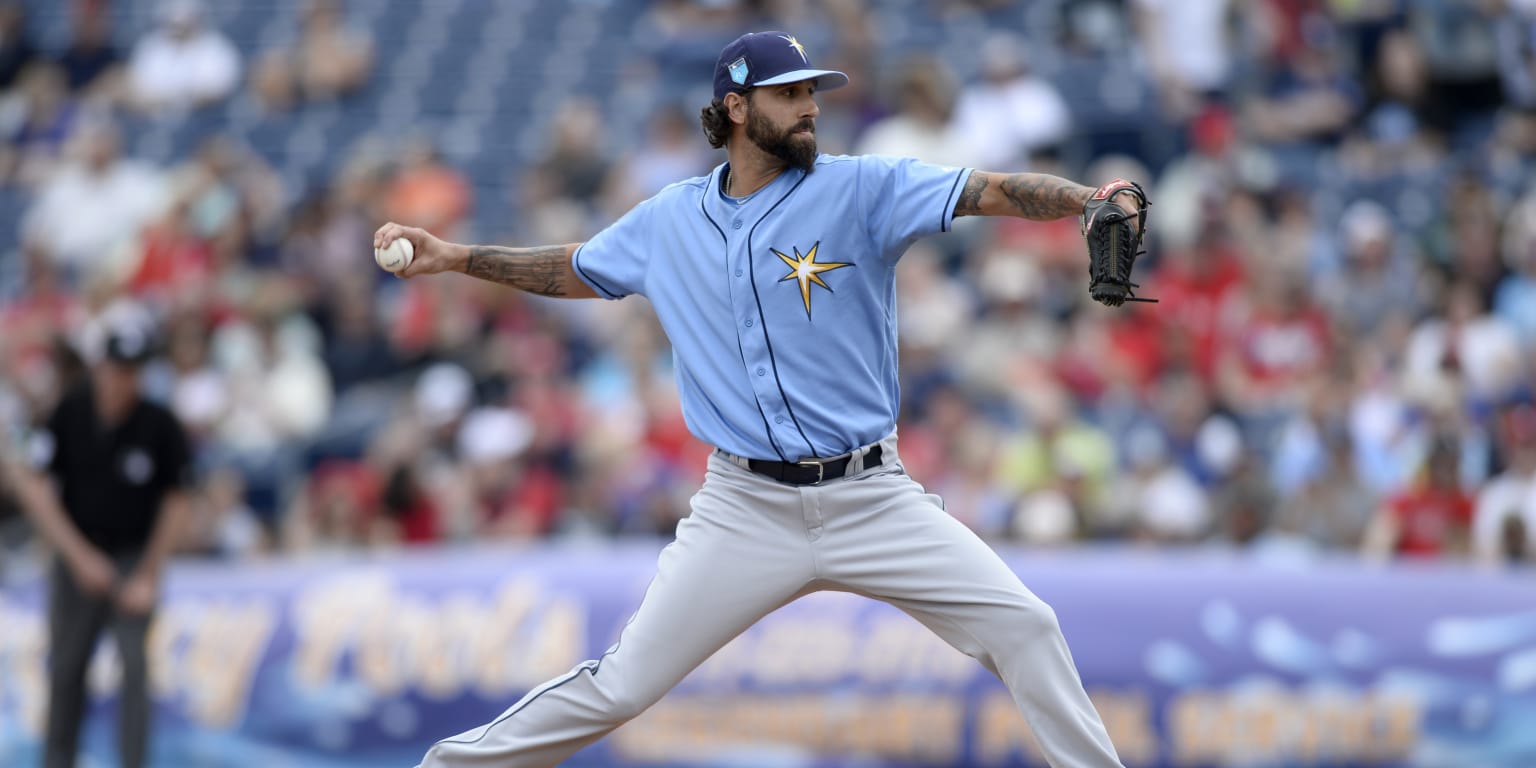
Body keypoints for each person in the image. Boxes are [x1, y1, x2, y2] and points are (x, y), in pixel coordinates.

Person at [377, 31, 1136, 768]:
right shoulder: (668, 219)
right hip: (744, 508)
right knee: (621, 684)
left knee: (1026, 626)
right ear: (736, 108)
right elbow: (572, 269)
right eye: (791, 93)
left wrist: (1084, 199)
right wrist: (455, 257)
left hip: (872, 496)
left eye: (813, 92)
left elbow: (990, 190)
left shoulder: (861, 187)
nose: (810, 107)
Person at [1, 325, 191, 768]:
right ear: (99, 369)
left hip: (132, 558)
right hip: (76, 558)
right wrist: (79, 557)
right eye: (115, 369)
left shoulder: (158, 424)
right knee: (66, 670)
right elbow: (36, 487)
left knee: (134, 666)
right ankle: (57, 761)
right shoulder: (69, 413)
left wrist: (148, 574)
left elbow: (178, 500)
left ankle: (133, 762)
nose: (122, 379)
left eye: (132, 370)